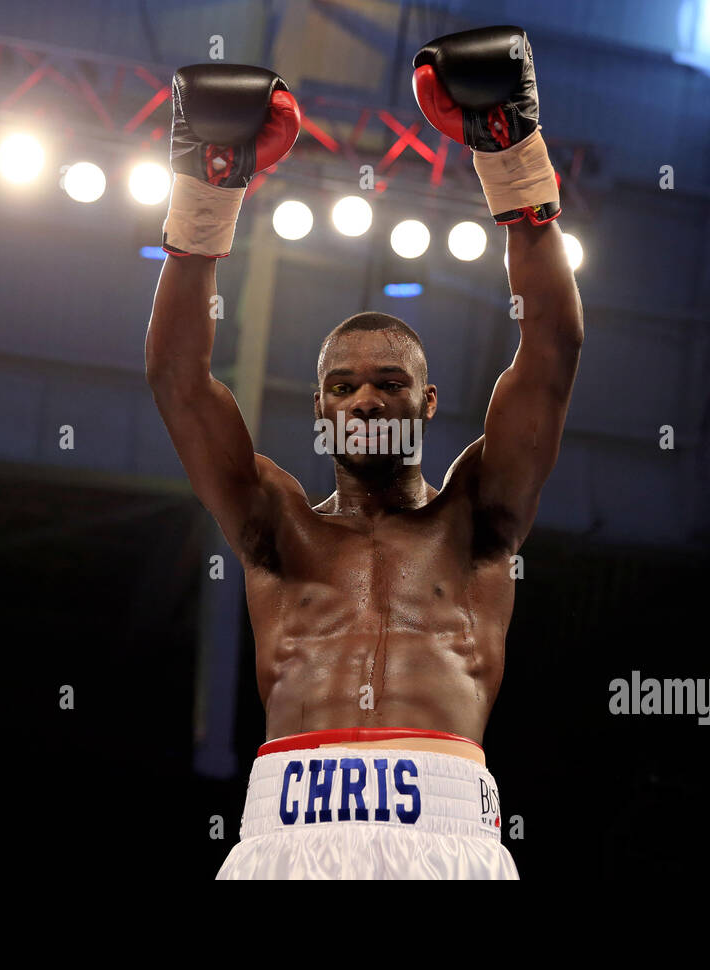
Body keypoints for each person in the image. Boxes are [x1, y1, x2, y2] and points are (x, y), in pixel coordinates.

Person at [145, 26, 583, 879]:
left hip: (444, 832)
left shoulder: (480, 517)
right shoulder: (272, 525)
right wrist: (207, 188)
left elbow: (553, 352)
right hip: (286, 833)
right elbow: (176, 379)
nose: (366, 398)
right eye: (343, 386)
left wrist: (512, 154)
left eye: (388, 382)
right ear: (318, 406)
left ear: (427, 400)